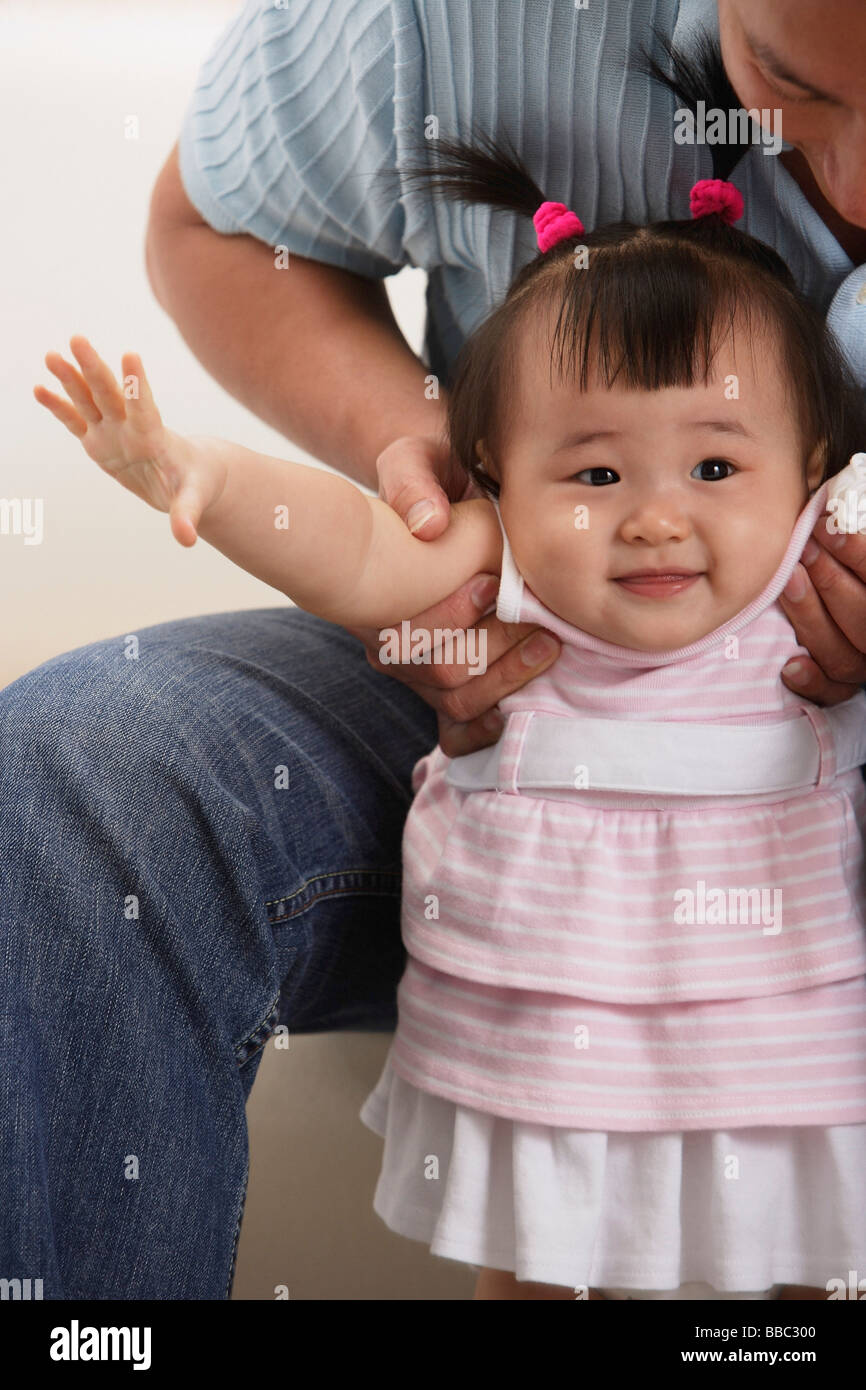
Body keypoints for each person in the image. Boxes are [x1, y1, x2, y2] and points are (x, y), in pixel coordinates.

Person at [2, 0, 866, 1299]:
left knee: (804, 1249)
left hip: (776, 987)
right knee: (78, 753)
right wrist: (201, 470)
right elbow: (355, 546)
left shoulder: (803, 541)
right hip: (546, 956)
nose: (650, 516)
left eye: (709, 466)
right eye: (589, 467)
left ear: (808, 474)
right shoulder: (506, 551)